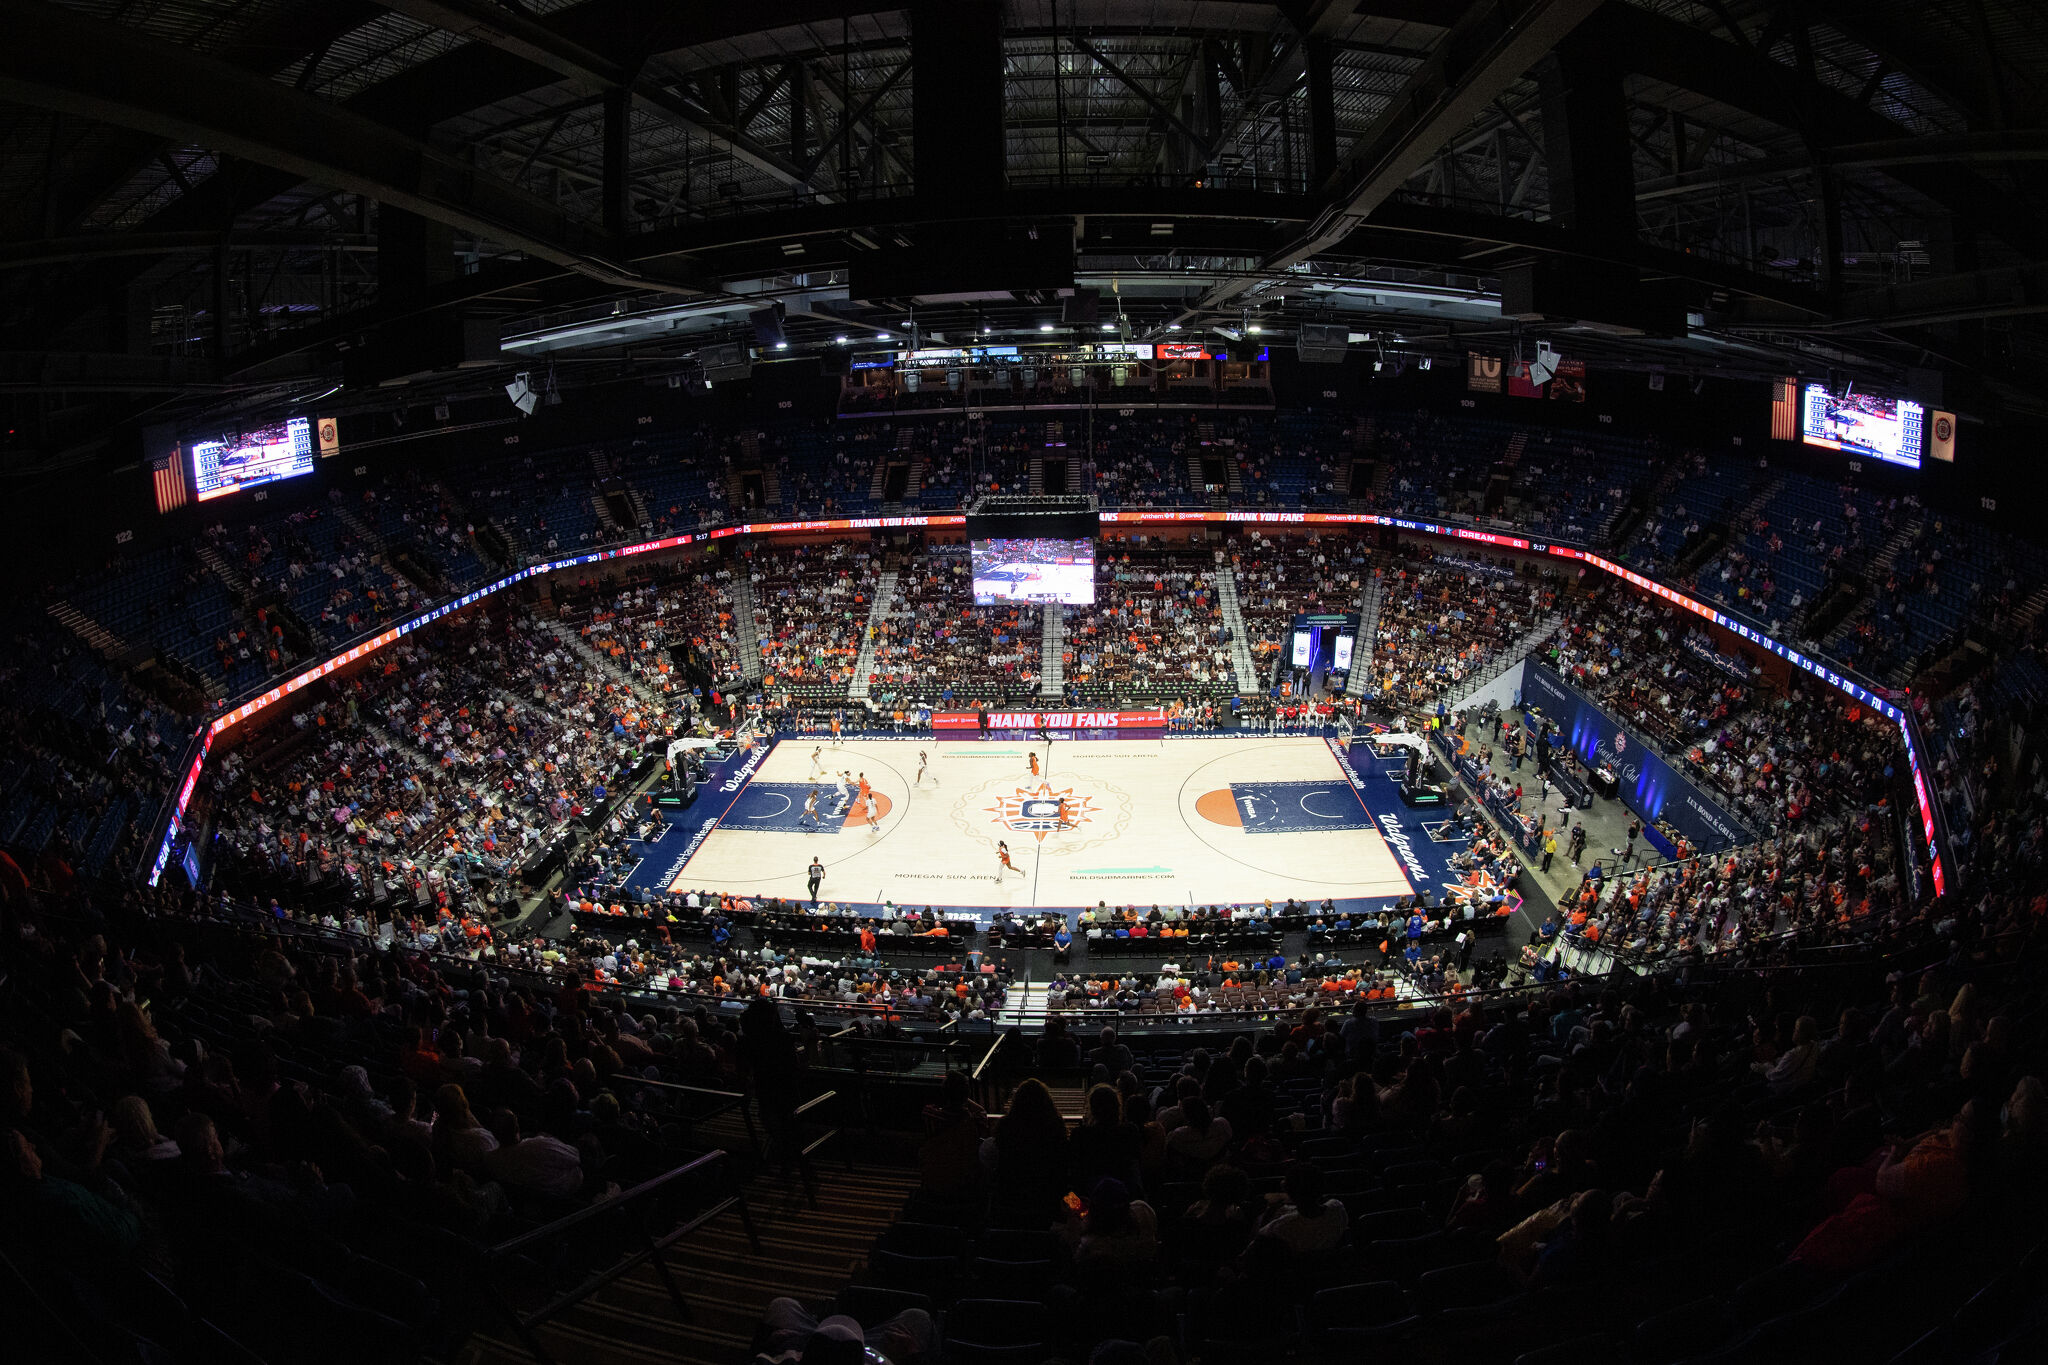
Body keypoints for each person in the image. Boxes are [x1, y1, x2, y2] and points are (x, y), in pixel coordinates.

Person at [753, 1299, 935, 1365]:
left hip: (805, 1348)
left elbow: (756, 1357)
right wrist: (912, 1356)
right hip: (873, 1354)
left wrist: (771, 1346)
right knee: (918, 1317)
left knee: (782, 1306)